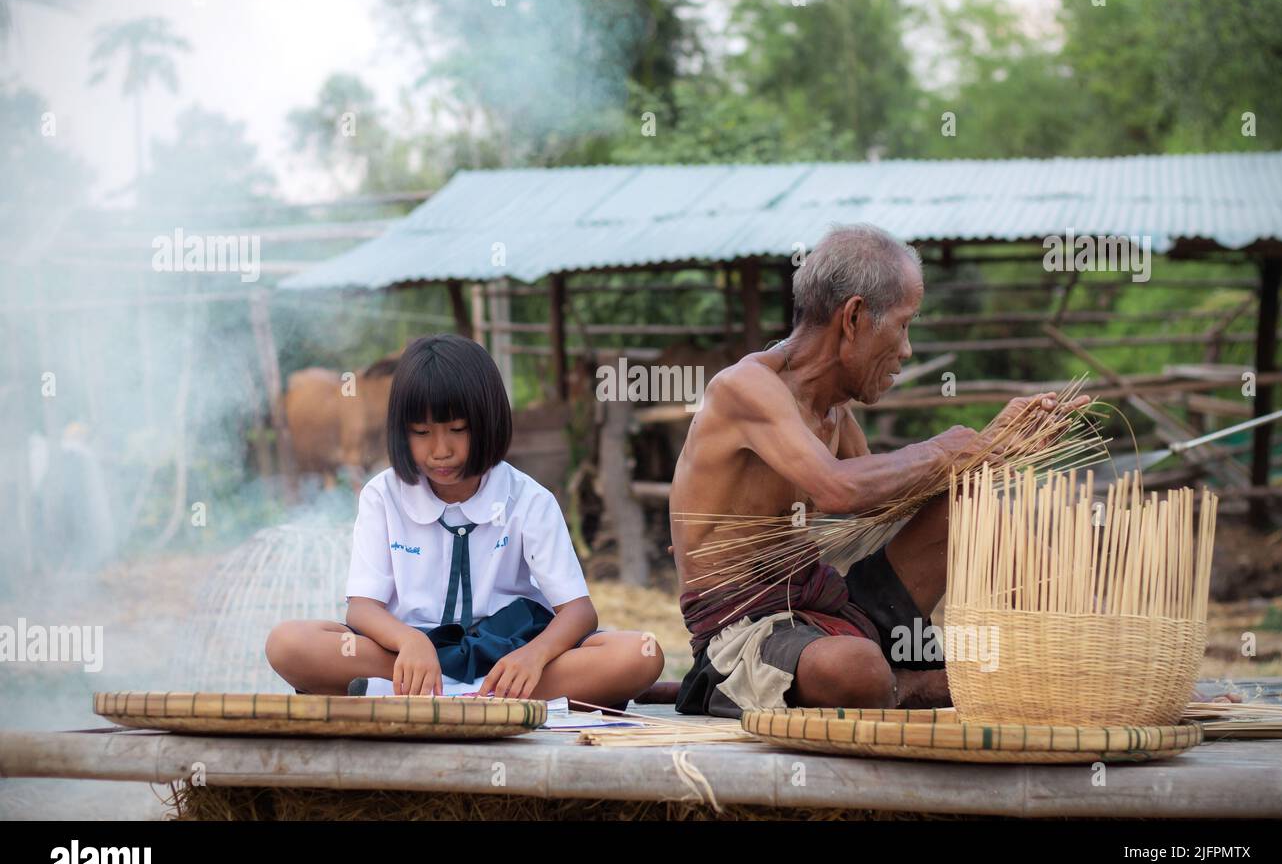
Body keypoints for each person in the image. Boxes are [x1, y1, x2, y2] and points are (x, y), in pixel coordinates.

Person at [667, 223, 1089, 718]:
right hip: (745, 636)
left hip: (826, 612)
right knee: (858, 670)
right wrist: (943, 450)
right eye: (904, 324)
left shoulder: (834, 414)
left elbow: (883, 505)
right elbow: (840, 490)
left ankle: (1086, 655)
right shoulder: (745, 388)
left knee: (964, 504)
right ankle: (909, 685)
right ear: (854, 319)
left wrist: (992, 448)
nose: (906, 350)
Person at [266, 334, 664, 709]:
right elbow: (362, 610)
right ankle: (469, 694)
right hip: (404, 656)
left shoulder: (530, 499)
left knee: (640, 655)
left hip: (510, 657)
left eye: (458, 430)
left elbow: (579, 613)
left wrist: (534, 656)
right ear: (400, 434)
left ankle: (439, 695)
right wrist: (410, 644)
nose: (441, 450)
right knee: (289, 643)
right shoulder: (381, 495)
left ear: (489, 422)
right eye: (421, 432)